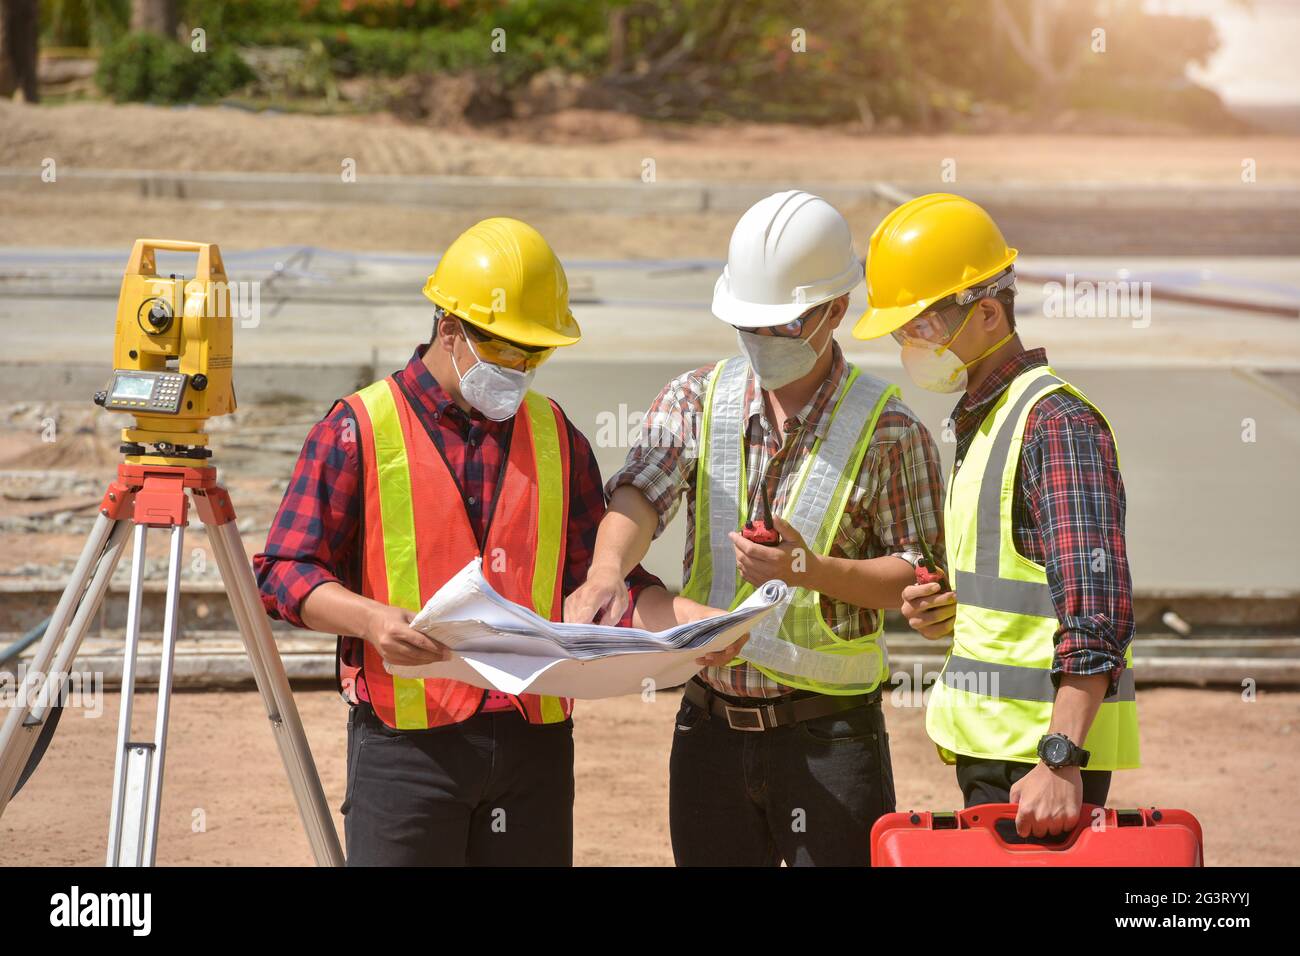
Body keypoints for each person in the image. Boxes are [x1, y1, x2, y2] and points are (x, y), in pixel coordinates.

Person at [254, 217, 680, 866]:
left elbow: (603, 575)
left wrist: (686, 633)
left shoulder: (555, 434)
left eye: (536, 353)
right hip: (408, 751)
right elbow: (283, 570)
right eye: (509, 350)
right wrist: (371, 620)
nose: (523, 368)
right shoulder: (359, 429)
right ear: (449, 330)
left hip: (533, 748)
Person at [565, 190, 945, 866]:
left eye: (784, 325)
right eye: (751, 325)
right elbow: (641, 493)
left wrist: (811, 570)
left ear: (836, 311)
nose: (765, 341)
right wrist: (605, 571)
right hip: (710, 730)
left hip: (830, 742)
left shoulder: (892, 433)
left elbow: (914, 579)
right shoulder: (694, 400)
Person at [853, 193, 1140, 837]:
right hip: (996, 751)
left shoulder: (1056, 425)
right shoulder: (988, 420)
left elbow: (1096, 608)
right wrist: (955, 607)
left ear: (985, 312)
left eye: (919, 326)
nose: (907, 345)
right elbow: (1024, 586)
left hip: (1040, 761)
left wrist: (1061, 759)